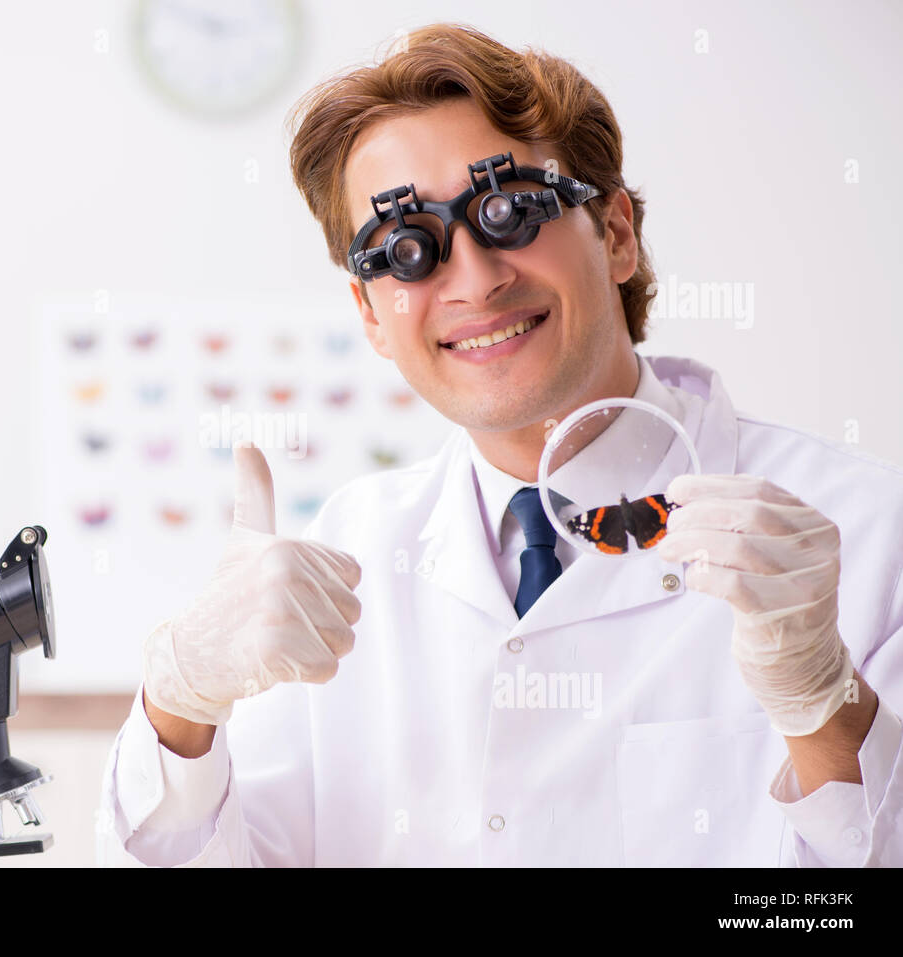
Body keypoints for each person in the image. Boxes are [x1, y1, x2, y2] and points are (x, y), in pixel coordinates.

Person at [95, 22, 903, 866]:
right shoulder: (347, 548)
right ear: (369, 313)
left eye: (513, 211)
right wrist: (179, 704)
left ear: (617, 233)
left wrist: (826, 708)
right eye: (408, 249)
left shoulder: (865, 528)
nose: (476, 280)